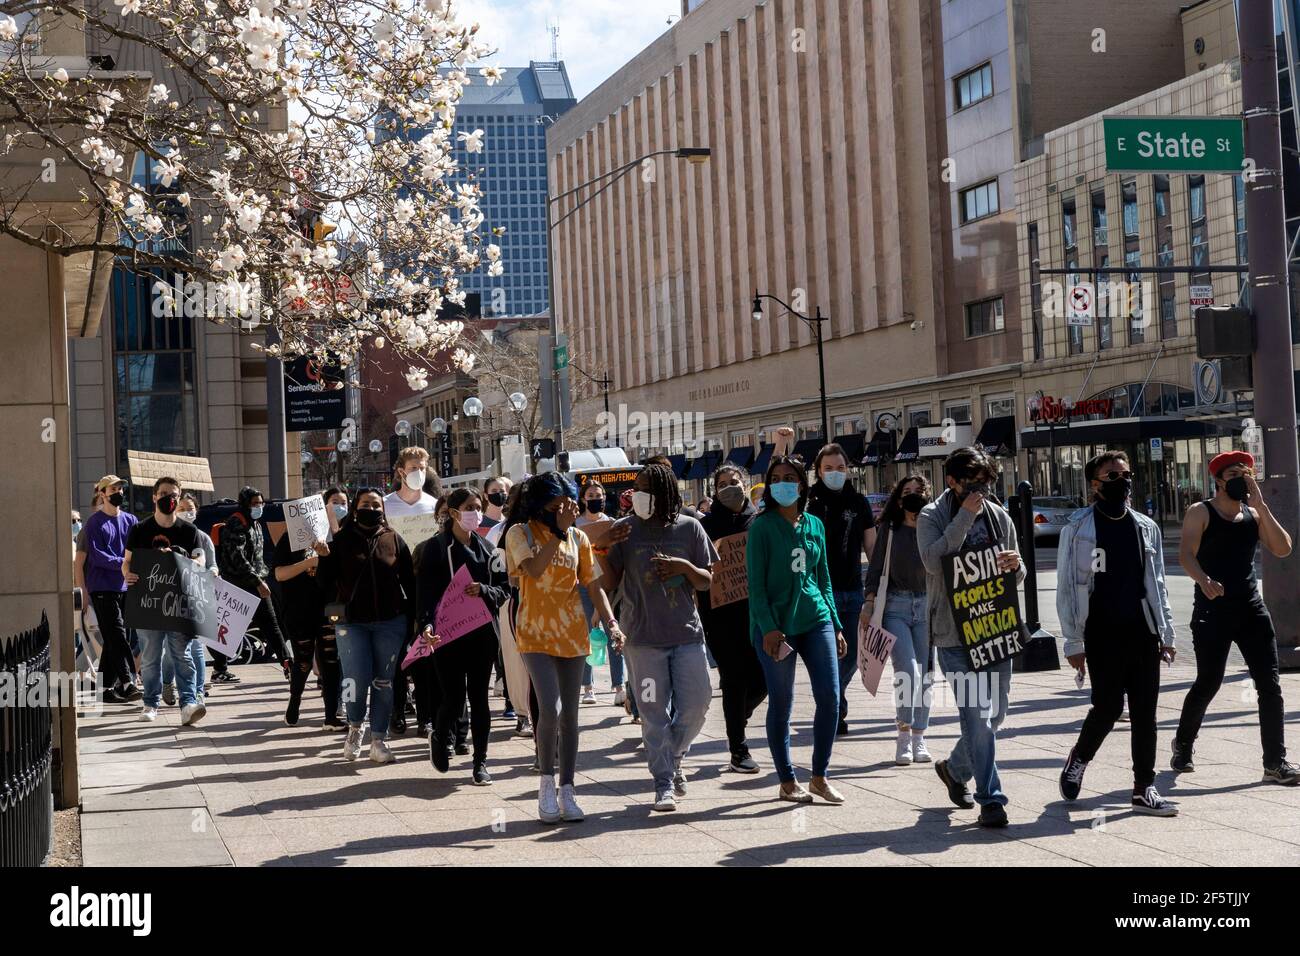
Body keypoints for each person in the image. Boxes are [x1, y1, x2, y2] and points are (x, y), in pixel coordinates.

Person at [1057, 451, 1179, 815]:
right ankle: (1079, 757)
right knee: (1108, 707)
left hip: (1141, 630)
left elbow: (1156, 583)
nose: (1122, 481)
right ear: (1095, 485)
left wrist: (1166, 633)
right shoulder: (1078, 529)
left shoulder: (1145, 526)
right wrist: (1073, 640)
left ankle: (1144, 788)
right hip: (1101, 631)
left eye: (1125, 474)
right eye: (1112, 476)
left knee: (1146, 712)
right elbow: (1068, 586)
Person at [503, 472, 625, 823]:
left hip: (572, 632)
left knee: (571, 714)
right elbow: (535, 572)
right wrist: (558, 533)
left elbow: (595, 585)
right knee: (551, 708)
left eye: (567, 503)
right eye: (557, 504)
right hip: (534, 631)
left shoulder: (578, 538)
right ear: (540, 504)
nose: (564, 509)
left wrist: (612, 623)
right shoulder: (520, 533)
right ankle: (545, 781)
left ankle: (567, 788)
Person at [1172, 451, 1298, 785]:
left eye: (1245, 474)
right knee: (1208, 682)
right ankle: (1183, 743)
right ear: (1217, 480)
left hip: (1251, 609)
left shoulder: (1254, 515)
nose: (1240, 480)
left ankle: (1275, 762)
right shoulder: (1200, 511)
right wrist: (1203, 579)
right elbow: (1185, 554)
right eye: (1233, 476)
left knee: (1270, 685)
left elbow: (1283, 548)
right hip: (1213, 609)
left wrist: (1262, 506)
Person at [601, 464, 718, 811]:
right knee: (653, 714)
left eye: (646, 488)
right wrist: (601, 546)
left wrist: (684, 567)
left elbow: (707, 581)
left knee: (699, 703)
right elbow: (608, 582)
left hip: (686, 635)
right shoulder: (624, 531)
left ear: (665, 493)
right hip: (642, 640)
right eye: (636, 487)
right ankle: (663, 781)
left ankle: (675, 753)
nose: (638, 494)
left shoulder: (690, 527)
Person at [917, 447, 1023, 828]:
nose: (981, 491)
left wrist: (1016, 566)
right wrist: (964, 517)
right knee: (976, 717)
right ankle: (990, 799)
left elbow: (1018, 571)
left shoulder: (999, 517)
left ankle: (954, 769)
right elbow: (932, 561)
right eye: (972, 484)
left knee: (994, 715)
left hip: (995, 627)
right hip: (953, 634)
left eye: (986, 483)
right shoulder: (933, 516)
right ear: (952, 482)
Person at [746, 455, 847, 804]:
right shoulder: (761, 527)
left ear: (802, 484)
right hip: (775, 627)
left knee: (830, 698)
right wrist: (769, 628)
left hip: (815, 617)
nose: (783, 483)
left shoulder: (815, 525)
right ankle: (788, 780)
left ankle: (819, 775)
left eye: (790, 477)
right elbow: (755, 588)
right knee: (782, 703)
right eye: (776, 478)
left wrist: (834, 623)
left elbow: (824, 579)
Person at [417, 488, 510, 784]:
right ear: (454, 512)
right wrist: (427, 626)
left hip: (482, 635)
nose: (476, 512)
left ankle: (480, 762)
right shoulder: (435, 548)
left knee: (479, 700)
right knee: (454, 699)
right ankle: (440, 735)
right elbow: (426, 594)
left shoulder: (488, 548)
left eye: (479, 507)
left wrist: (483, 590)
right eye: (470, 507)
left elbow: (504, 589)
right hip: (449, 636)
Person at [321, 488, 417, 764]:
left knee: (383, 682)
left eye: (377, 505)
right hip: (352, 624)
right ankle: (354, 727)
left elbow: (409, 582)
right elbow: (323, 583)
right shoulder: (339, 541)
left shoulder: (394, 539)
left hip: (391, 623)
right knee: (354, 678)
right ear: (355, 508)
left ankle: (379, 739)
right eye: (366, 504)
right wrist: (324, 557)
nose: (372, 509)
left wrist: (412, 620)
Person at [698, 463, 767, 773]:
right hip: (722, 618)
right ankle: (738, 747)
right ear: (714, 490)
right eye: (722, 483)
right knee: (733, 680)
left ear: (745, 483)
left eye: (733, 481)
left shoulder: (760, 522)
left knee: (763, 680)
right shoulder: (706, 526)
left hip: (758, 615)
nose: (728, 487)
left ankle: (738, 717)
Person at [806, 442, 877, 736]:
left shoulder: (858, 502)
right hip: (821, 592)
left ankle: (834, 701)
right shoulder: (811, 502)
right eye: (829, 468)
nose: (835, 473)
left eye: (840, 468)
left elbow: (871, 545)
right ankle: (834, 710)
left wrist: (875, 585)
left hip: (852, 590)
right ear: (818, 472)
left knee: (850, 656)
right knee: (828, 655)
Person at [122, 477, 204, 725]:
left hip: (178, 604)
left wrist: (179, 557)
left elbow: (199, 562)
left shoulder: (189, 532)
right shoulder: (139, 530)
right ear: (154, 497)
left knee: (182, 654)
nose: (170, 498)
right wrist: (127, 573)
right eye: (165, 493)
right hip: (147, 604)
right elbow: (126, 562)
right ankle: (150, 703)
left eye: (174, 494)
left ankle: (188, 703)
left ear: (178, 499)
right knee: (150, 656)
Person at [864, 474, 934, 765]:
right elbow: (876, 567)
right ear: (899, 497)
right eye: (907, 491)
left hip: (927, 607)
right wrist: (868, 604)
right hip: (896, 606)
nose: (913, 495)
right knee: (908, 671)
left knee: (927, 677)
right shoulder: (890, 529)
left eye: (919, 491)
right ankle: (903, 734)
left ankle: (919, 737)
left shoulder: (934, 528)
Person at [274, 491, 341, 730]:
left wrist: (326, 556)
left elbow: (339, 574)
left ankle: (331, 715)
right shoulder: (288, 540)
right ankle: (294, 703)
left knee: (331, 660)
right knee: (302, 661)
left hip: (328, 608)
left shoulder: (333, 538)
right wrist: (309, 563)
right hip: (299, 609)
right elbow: (279, 573)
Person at [218, 486, 291, 675]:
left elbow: (255, 556)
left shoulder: (256, 523)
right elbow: (238, 557)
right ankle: (220, 668)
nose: (259, 507)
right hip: (240, 584)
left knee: (271, 624)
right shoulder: (236, 523)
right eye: (254, 504)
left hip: (256, 581)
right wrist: (257, 581)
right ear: (244, 504)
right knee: (228, 629)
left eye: (261, 503)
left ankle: (287, 662)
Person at [83, 476, 140, 703]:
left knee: (116, 636)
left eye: (120, 488)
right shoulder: (93, 523)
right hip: (102, 586)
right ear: (102, 494)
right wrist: (124, 564)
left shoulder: (131, 520)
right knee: (116, 633)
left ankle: (104, 688)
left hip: (126, 585)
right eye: (113, 488)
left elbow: (137, 549)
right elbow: (97, 556)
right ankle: (128, 681)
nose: (118, 492)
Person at [161, 492, 217, 707]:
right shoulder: (166, 536)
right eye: (182, 508)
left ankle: (198, 692)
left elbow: (212, 564)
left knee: (195, 648)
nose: (187, 512)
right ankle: (167, 681)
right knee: (171, 648)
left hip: (195, 599)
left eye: (190, 508)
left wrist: (212, 572)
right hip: (171, 600)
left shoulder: (202, 537)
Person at [576, 480, 621, 705]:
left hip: (609, 584)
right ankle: (588, 686)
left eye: (599, 495)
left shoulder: (612, 524)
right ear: (583, 499)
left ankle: (619, 685)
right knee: (587, 634)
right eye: (591, 495)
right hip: (583, 585)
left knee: (614, 631)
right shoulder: (575, 525)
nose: (596, 499)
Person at [384, 446, 439, 518]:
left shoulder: (434, 505)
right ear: (401, 472)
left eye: (422, 468)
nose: (419, 472)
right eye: (413, 468)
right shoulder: (386, 504)